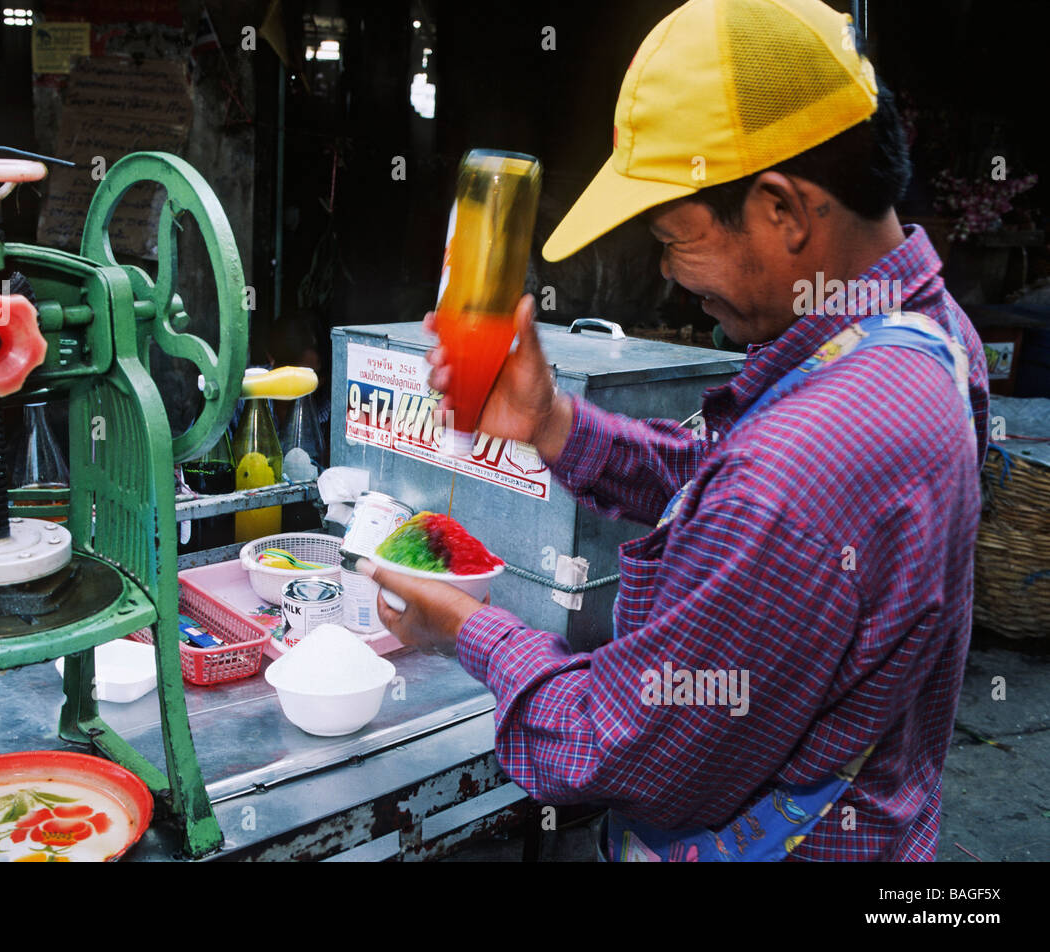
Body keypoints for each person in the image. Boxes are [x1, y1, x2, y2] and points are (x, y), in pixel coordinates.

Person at [359, 0, 989, 862]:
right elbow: (725, 481)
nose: (665, 272)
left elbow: (610, 743)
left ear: (782, 210)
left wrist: (468, 628)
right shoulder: (925, 335)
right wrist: (552, 424)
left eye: (672, 240)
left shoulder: (800, 473)